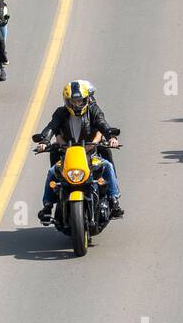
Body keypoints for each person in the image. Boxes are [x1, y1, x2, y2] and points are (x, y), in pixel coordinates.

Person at [35, 80, 123, 223]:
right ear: (67, 101)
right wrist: (44, 141)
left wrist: (111, 137)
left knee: (107, 166)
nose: (77, 104)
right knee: (52, 171)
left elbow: (102, 124)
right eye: (73, 101)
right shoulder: (60, 113)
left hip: (91, 154)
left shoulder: (93, 110)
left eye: (79, 100)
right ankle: (47, 207)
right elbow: (52, 127)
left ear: (86, 99)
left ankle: (114, 202)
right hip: (67, 155)